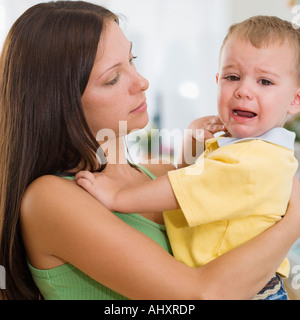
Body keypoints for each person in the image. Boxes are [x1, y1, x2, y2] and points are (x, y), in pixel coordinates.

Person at [1, 2, 300, 301]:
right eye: (113, 78)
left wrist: (194, 149)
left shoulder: (157, 173)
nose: (141, 82)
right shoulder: (51, 199)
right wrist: (293, 223)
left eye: (132, 59)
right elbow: (201, 296)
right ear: (59, 103)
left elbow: (201, 196)